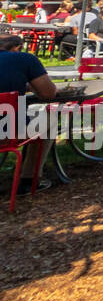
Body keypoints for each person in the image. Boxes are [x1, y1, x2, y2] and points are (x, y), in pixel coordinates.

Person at [0, 34, 57, 188]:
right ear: (17, 48)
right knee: (49, 120)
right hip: (6, 133)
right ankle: (29, 179)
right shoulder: (24, 59)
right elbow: (48, 93)